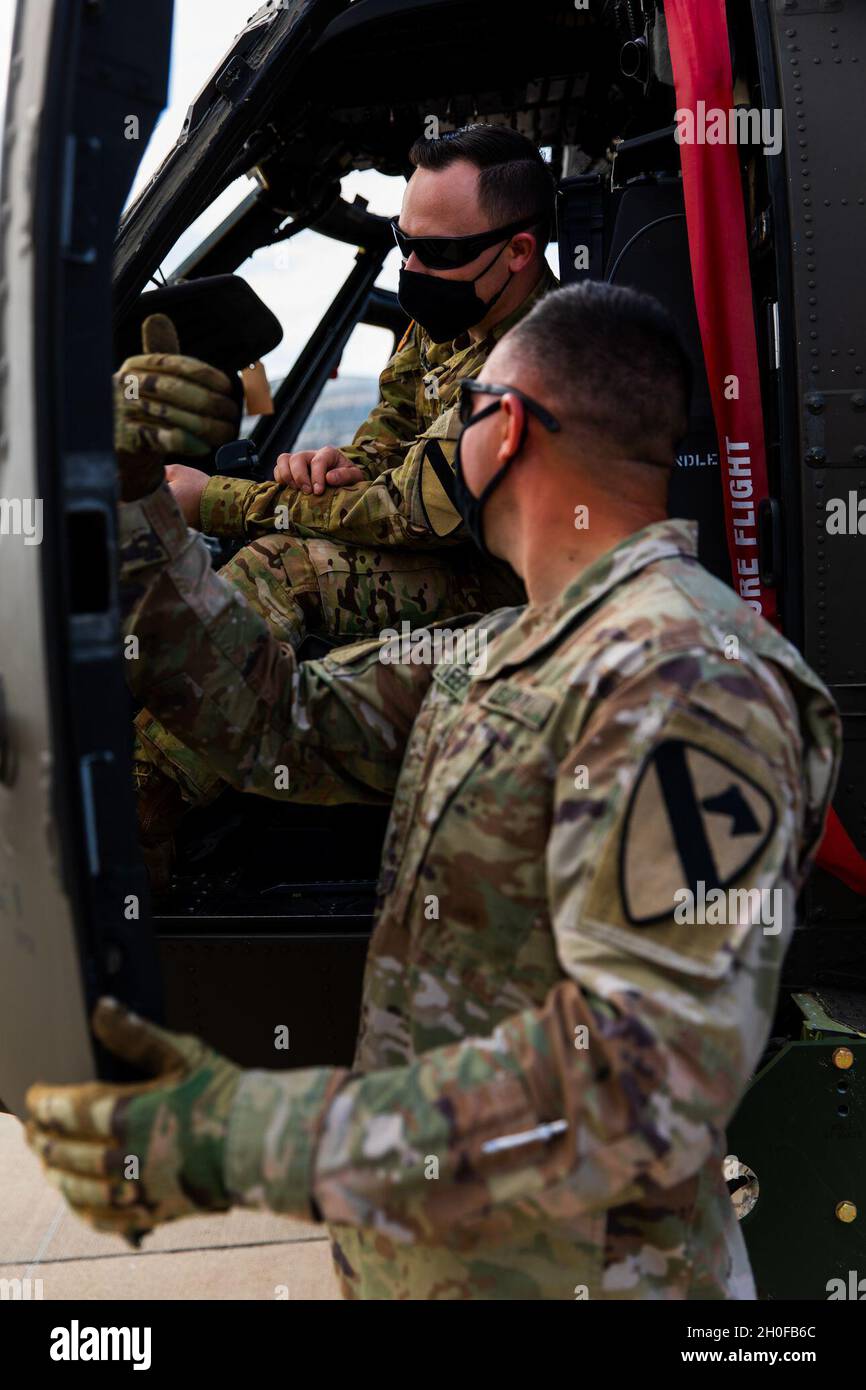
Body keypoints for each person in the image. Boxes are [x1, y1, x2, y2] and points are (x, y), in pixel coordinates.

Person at [27, 281, 840, 1300]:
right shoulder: (501, 649)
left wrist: (252, 1132)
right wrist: (129, 482)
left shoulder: (686, 677)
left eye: (458, 416)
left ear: (500, 429)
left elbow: (641, 1081)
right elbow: (268, 714)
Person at [117, 125, 558, 868]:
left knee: (289, 567)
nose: (413, 266)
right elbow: (389, 438)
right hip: (449, 553)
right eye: (403, 241)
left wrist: (215, 500)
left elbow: (415, 511)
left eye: (438, 252)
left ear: (518, 251)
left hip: (513, 588)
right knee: (281, 555)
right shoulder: (446, 314)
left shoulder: (539, 358)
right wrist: (335, 467)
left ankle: (144, 800)